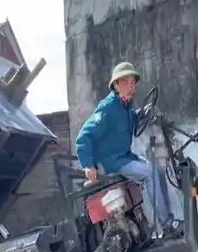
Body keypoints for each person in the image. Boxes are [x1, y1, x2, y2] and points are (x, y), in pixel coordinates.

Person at [74, 62, 179, 237]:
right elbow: (83, 137)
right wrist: (87, 164)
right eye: (126, 83)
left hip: (124, 156)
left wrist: (145, 112)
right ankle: (167, 227)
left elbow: (134, 120)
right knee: (150, 174)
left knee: (159, 171)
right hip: (110, 161)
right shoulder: (108, 108)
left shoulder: (126, 106)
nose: (131, 87)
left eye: (133, 83)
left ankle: (168, 220)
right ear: (116, 85)